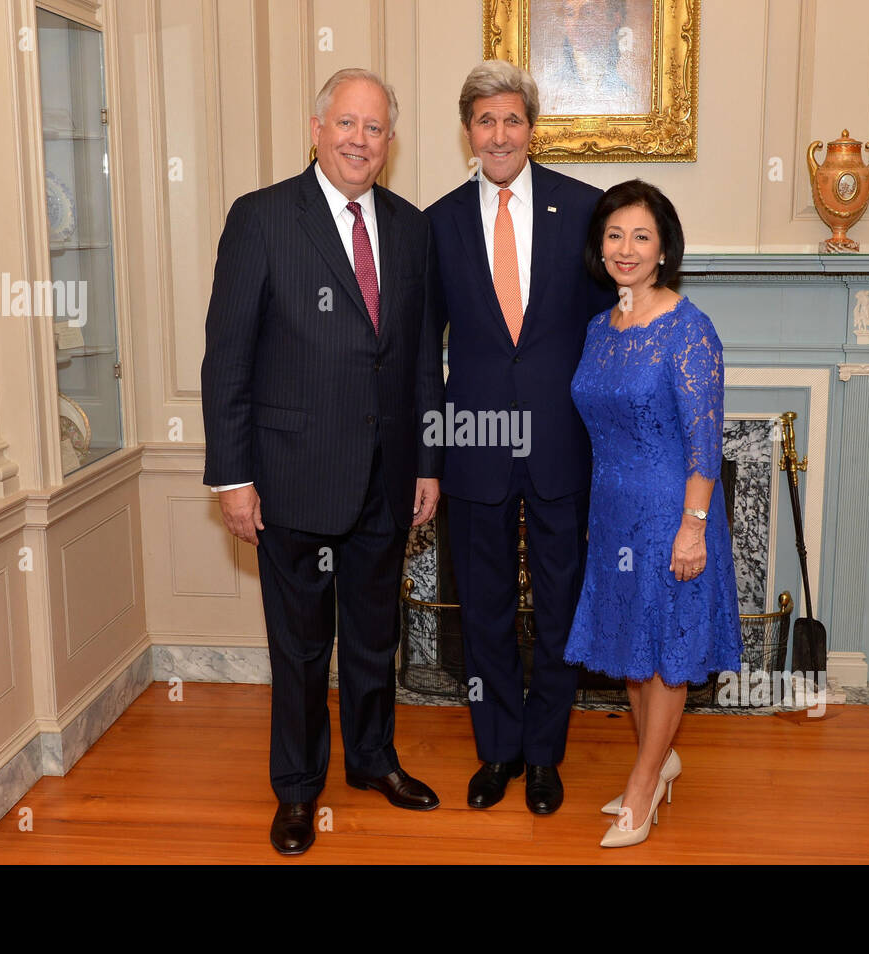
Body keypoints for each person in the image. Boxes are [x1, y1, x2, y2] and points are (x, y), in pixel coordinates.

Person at [200, 68, 445, 856]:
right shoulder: (263, 219)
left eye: (375, 129)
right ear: (316, 128)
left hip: (388, 479)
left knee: (377, 637)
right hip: (293, 479)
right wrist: (233, 478)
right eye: (346, 124)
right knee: (300, 648)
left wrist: (429, 465)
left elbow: (417, 365)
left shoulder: (409, 230)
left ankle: (373, 760)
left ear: (390, 142)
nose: (359, 141)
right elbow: (226, 360)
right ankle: (298, 790)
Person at [425, 60, 616, 814]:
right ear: (467, 131)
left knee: (563, 606)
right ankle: (497, 750)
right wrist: (426, 456)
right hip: (472, 448)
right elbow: (419, 350)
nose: (498, 134)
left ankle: (545, 754)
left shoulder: (585, 209)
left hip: (563, 446)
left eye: (512, 120)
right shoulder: (434, 222)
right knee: (486, 609)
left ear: (531, 129)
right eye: (484, 121)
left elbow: (611, 334)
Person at [564, 179, 741, 847]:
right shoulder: (598, 328)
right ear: (599, 247)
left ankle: (643, 785)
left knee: (666, 652)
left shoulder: (689, 329)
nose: (626, 248)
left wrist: (693, 527)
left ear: (664, 248)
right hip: (613, 514)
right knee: (633, 651)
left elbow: (705, 439)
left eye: (641, 235)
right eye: (614, 235)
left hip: (672, 512)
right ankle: (657, 760)